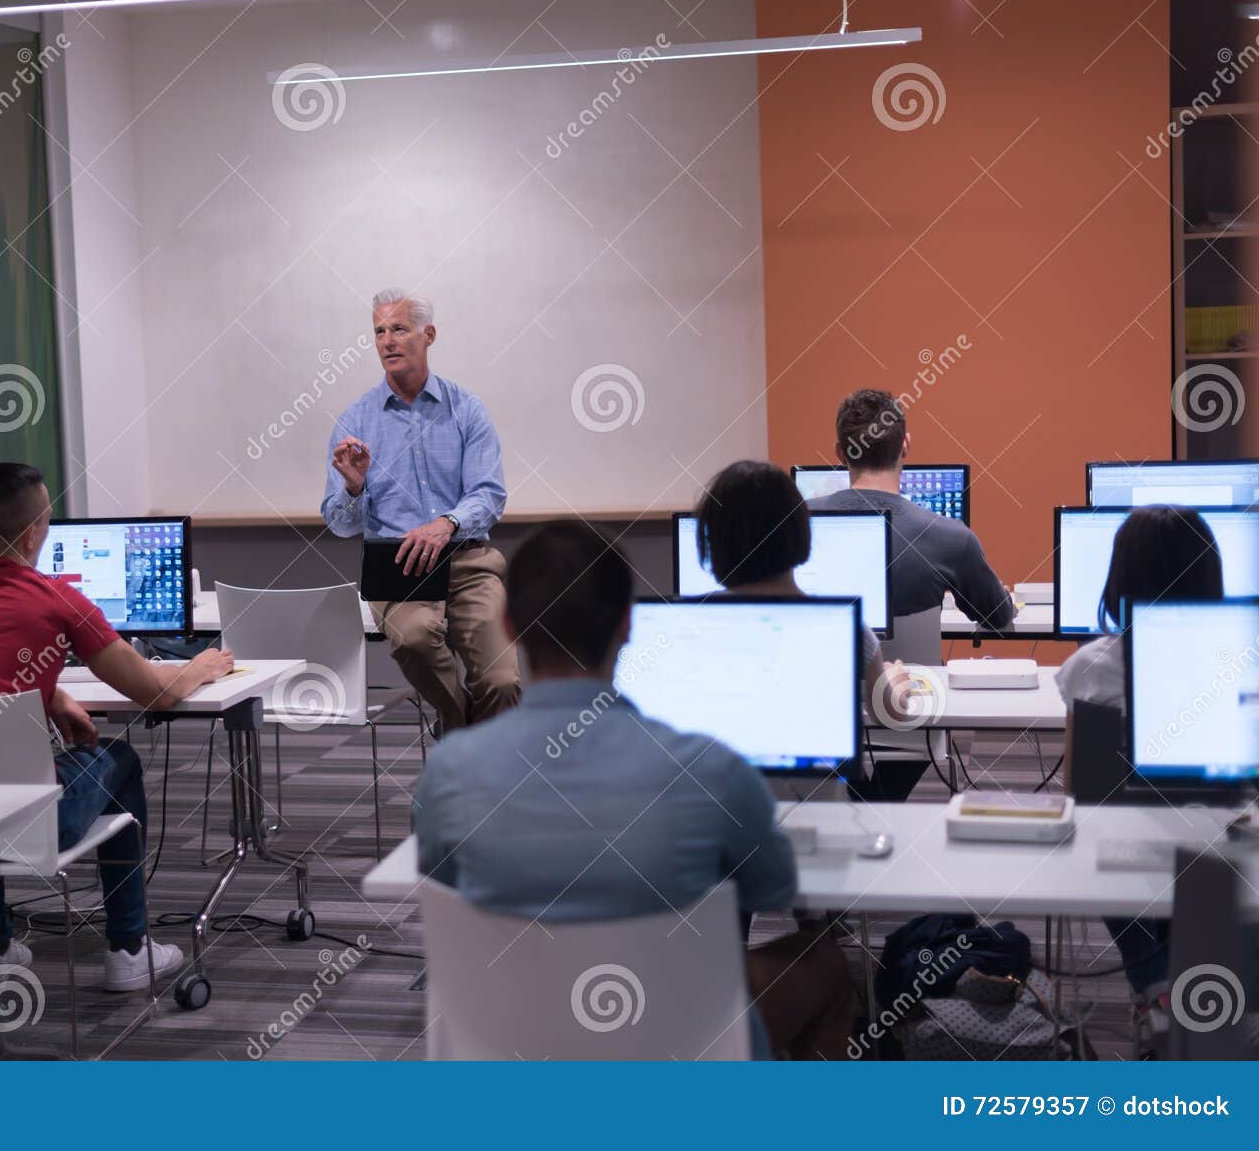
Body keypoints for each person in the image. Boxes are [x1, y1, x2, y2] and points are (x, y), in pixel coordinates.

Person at [413, 520, 858, 1058]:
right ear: (628, 625)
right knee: (830, 963)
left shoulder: (448, 773)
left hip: (514, 1046)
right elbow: (776, 888)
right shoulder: (713, 770)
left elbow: (443, 883)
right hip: (678, 1043)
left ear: (508, 625)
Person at [0, 462, 233, 991]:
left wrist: (50, 694)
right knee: (120, 760)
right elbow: (156, 692)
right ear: (34, 533)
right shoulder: (54, 599)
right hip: (26, 826)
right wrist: (201, 666)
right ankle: (127, 949)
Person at [1054, 506, 1224, 1041]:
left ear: (1118, 579)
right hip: (1220, 851)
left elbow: (1076, 788)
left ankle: (1152, 984)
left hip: (1121, 860)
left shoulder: (1091, 667)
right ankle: (1176, 988)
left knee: (1103, 834)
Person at [322, 288, 519, 735]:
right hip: (399, 568)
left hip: (468, 561)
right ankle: (462, 733)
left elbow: (489, 495)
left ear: (428, 335)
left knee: (503, 681)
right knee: (414, 638)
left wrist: (447, 523)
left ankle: (461, 743)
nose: (387, 340)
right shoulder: (355, 421)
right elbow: (340, 524)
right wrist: (354, 488)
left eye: (398, 328)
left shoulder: (466, 409)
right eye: (379, 332)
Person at [692, 460, 915, 796]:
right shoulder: (848, 628)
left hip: (713, 816)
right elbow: (890, 715)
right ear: (800, 532)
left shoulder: (684, 627)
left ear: (711, 543)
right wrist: (894, 682)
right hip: (819, 819)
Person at [807, 389, 1015, 629]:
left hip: (827, 667)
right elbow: (997, 617)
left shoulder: (794, 524)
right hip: (917, 668)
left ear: (840, 453)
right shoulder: (954, 538)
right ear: (905, 445)